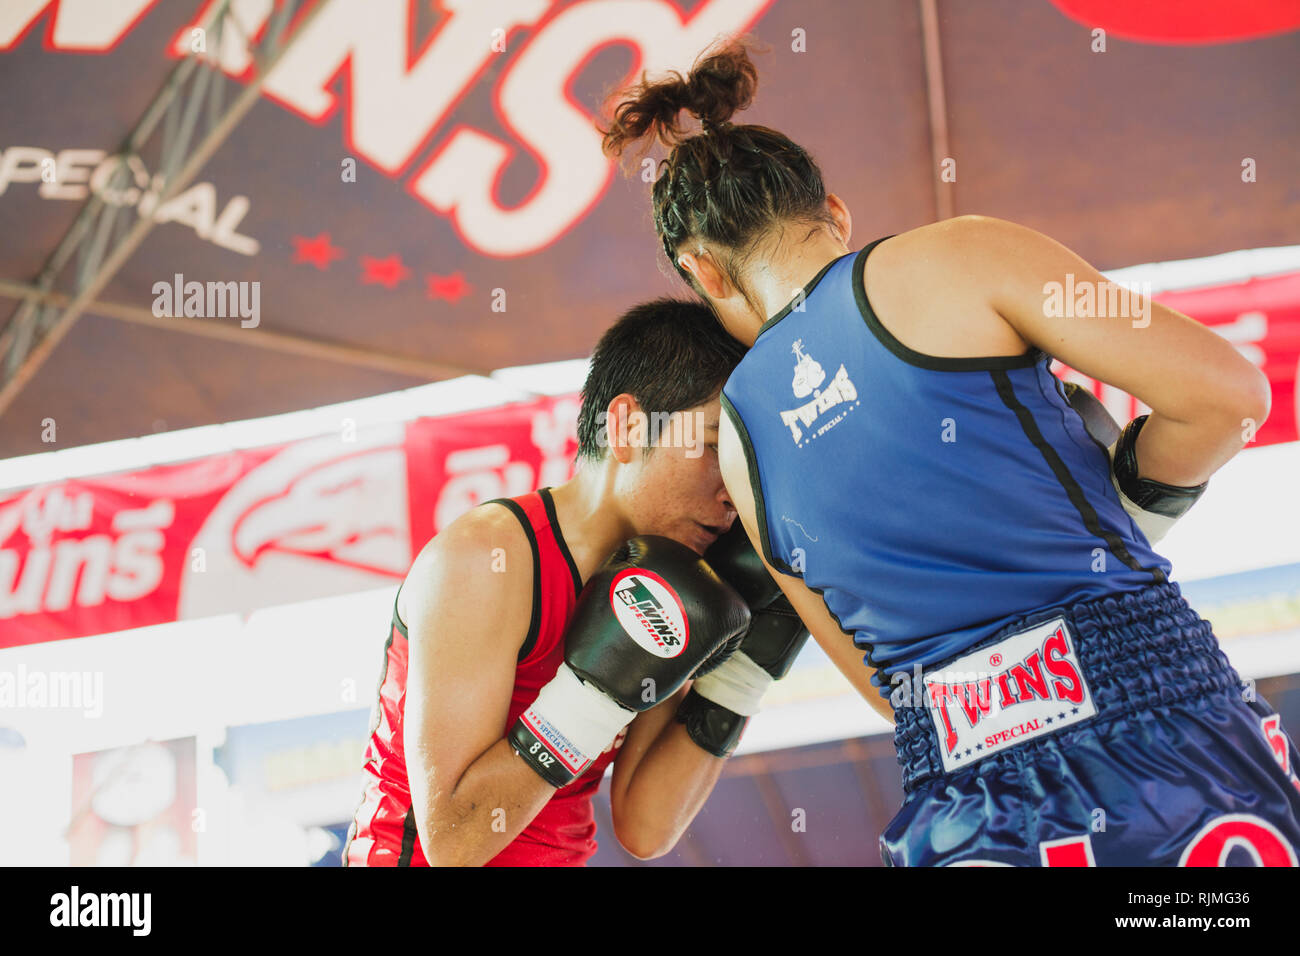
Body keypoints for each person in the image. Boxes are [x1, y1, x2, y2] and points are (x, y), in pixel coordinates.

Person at [599, 40, 1300, 866]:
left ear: (703, 272)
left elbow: (888, 694)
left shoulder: (745, 451)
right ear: (834, 210)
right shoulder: (958, 255)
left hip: (962, 805)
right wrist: (1127, 505)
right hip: (1156, 724)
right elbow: (1228, 399)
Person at [343, 297, 807, 866]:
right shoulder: (487, 558)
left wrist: (741, 675)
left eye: (744, 465)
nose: (732, 492)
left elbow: (644, 826)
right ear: (628, 426)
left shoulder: (668, 584)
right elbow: (454, 842)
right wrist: (588, 699)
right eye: (714, 447)